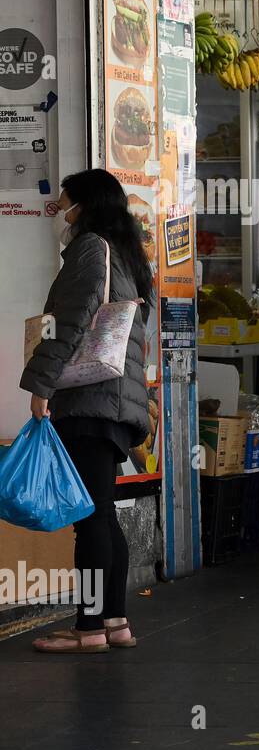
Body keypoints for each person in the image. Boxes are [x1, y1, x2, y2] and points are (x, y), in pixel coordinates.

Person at [20, 169, 153, 652]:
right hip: (115, 401)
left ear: (85, 205)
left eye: (65, 201)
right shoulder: (127, 255)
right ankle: (114, 621)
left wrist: (41, 383)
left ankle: (89, 628)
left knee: (90, 518)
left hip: (91, 399)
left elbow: (69, 322)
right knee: (102, 514)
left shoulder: (91, 247)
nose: (60, 209)